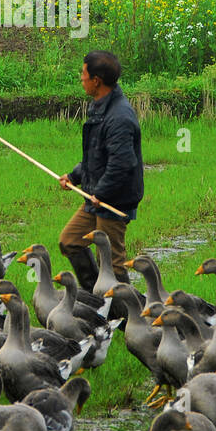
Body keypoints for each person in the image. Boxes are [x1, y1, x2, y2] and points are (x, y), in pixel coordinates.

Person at [57, 50, 144, 289]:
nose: (81, 78)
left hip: (113, 200)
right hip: (98, 195)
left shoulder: (119, 117)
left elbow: (123, 163)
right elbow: (96, 155)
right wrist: (74, 177)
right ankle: (97, 297)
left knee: (112, 266)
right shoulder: (99, 106)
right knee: (71, 241)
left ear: (96, 80)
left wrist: (102, 193)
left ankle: (129, 318)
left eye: (83, 74)